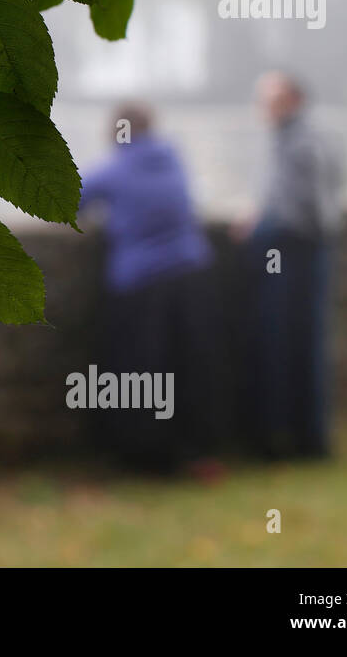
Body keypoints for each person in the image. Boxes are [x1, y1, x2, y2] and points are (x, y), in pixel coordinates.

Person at [79, 102, 217, 475]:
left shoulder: (116, 169)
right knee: (189, 365)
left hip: (142, 282)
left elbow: (68, 200)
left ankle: (146, 455)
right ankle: (194, 449)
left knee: (142, 370)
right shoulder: (173, 159)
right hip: (192, 274)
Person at [239, 71, 345, 459]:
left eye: (271, 98)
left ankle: (281, 439)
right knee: (302, 345)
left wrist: (264, 229)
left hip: (293, 254)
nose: (263, 107)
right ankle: (305, 439)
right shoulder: (305, 137)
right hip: (305, 252)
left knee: (282, 344)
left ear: (294, 100)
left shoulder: (300, 141)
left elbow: (305, 207)